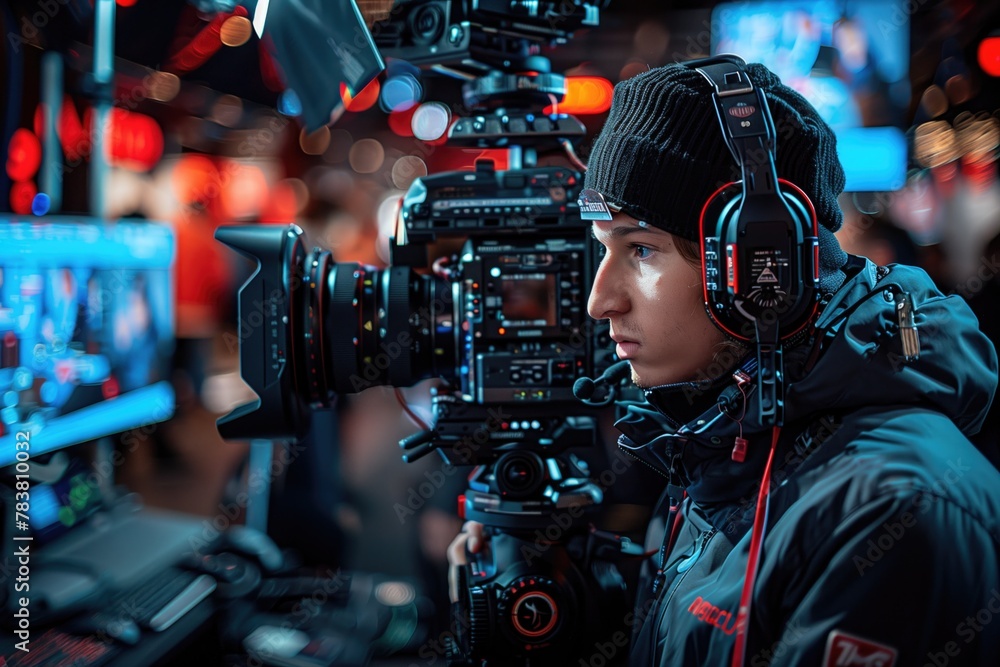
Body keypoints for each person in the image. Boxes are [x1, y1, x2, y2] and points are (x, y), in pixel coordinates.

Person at [449, 58, 1000, 666]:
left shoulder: (892, 511)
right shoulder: (724, 440)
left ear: (761, 266)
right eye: (604, 249)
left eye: (642, 249)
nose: (599, 302)